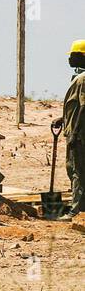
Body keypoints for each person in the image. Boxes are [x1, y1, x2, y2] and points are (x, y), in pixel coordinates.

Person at [56, 39, 85, 216]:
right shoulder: (80, 78)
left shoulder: (83, 79)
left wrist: (74, 133)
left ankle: (76, 211)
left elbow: (84, 107)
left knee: (77, 172)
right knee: (76, 170)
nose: (69, 60)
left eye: (73, 56)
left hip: (79, 135)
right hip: (77, 131)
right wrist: (63, 119)